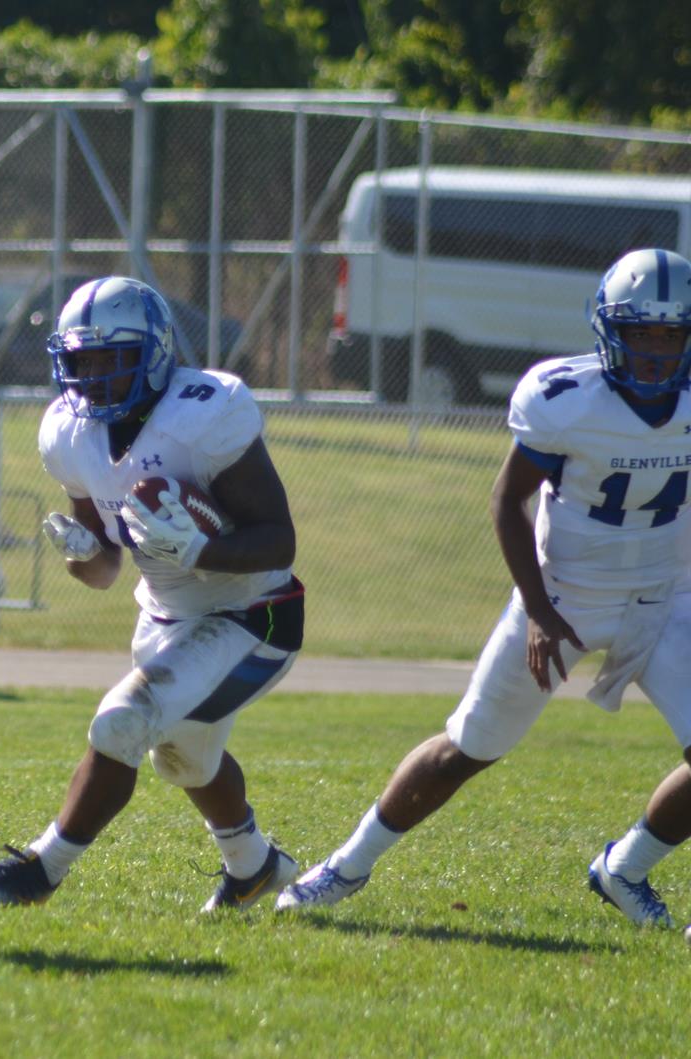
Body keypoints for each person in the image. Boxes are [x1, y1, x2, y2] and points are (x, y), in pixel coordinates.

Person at [278, 248, 691, 927]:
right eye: (640, 331)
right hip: (563, 595)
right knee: (464, 749)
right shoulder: (566, 399)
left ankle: (624, 869)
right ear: (607, 331)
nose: (654, 349)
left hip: (663, 597)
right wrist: (536, 608)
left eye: (670, 334)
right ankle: (344, 867)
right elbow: (507, 501)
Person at [0, 276, 304, 913]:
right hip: (165, 614)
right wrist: (84, 554)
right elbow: (105, 568)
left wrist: (203, 552)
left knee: (121, 721)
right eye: (78, 362)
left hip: (253, 615)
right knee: (187, 763)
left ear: (155, 354)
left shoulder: (204, 412)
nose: (89, 378)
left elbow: (279, 541)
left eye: (108, 360)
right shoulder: (69, 432)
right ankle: (253, 868)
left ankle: (40, 871)